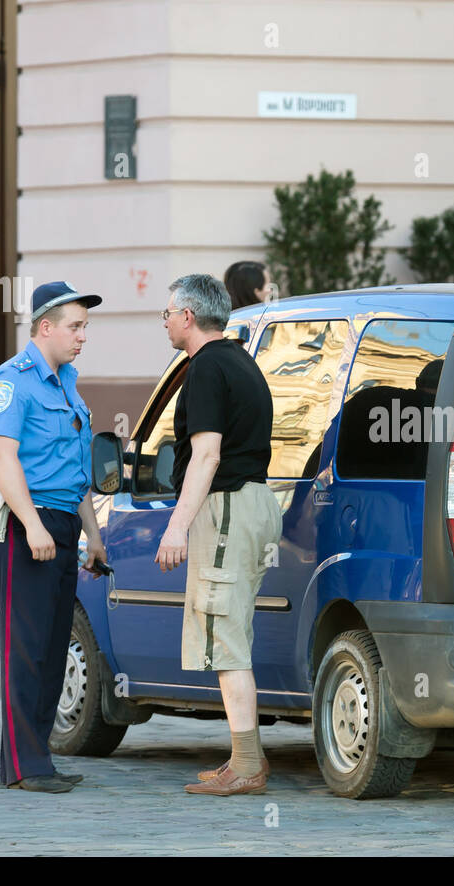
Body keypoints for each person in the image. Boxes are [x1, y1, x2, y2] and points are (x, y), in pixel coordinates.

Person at [154, 273, 281, 796]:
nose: (164, 320)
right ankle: (242, 758)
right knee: (232, 636)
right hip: (251, 502)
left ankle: (247, 765)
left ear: (187, 316)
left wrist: (175, 526)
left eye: (166, 312)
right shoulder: (239, 359)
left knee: (225, 640)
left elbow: (206, 454)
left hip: (226, 506)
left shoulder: (205, 368)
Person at [0, 280, 108, 794]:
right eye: (75, 327)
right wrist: (31, 524)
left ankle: (40, 757)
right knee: (26, 646)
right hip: (21, 524)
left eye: (85, 327)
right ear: (45, 327)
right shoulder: (11, 382)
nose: (83, 336)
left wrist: (93, 535)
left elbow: (73, 471)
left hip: (61, 523)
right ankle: (22, 766)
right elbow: (3, 458)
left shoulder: (67, 382)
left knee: (54, 648)